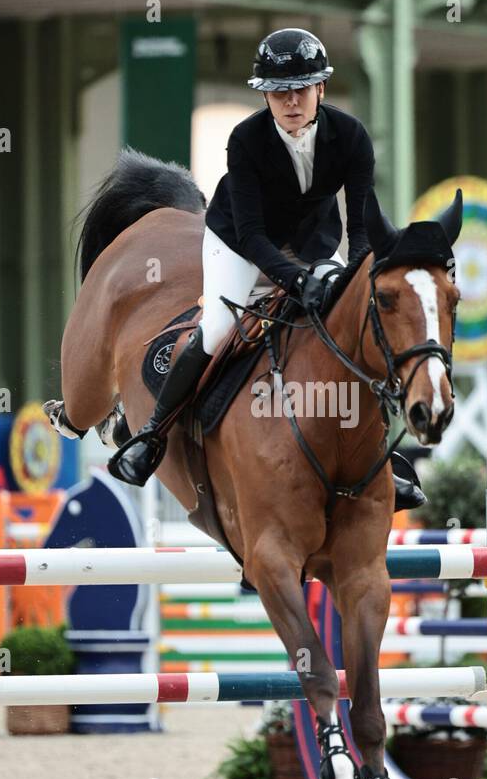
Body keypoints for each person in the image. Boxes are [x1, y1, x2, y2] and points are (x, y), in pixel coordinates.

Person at [110, 27, 426, 510]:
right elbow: (255, 236)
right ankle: (151, 435)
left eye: (301, 89)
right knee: (217, 327)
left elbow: (361, 220)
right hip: (237, 243)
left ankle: (384, 459)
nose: (291, 101)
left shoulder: (352, 137)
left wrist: (355, 273)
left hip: (315, 244)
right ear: (266, 96)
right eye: (279, 92)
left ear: (320, 88)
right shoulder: (246, 140)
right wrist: (299, 280)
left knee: (357, 330)